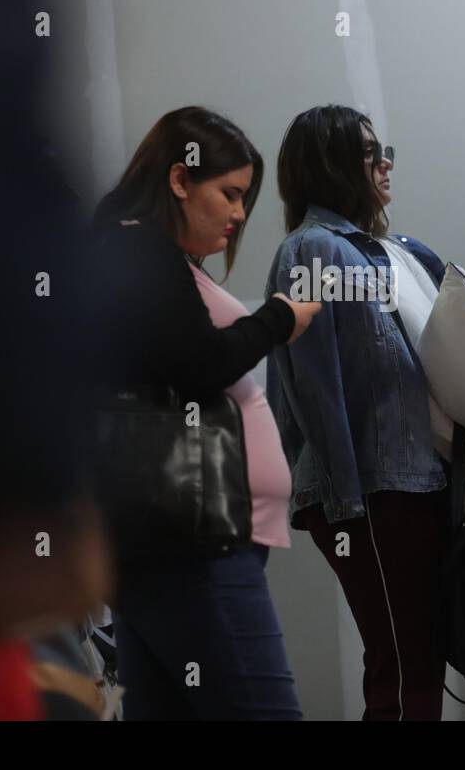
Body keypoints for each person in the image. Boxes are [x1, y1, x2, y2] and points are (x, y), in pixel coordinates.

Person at [89, 105, 320, 720]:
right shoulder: (141, 249)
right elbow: (198, 366)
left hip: (168, 546)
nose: (239, 214)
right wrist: (278, 318)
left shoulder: (126, 248)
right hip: (192, 546)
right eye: (230, 193)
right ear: (178, 180)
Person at [265, 105, 450, 720]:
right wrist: (348, 511)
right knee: (401, 664)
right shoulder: (314, 250)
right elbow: (312, 391)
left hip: (409, 486)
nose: (384, 162)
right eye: (369, 152)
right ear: (333, 165)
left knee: (414, 660)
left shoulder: (387, 250)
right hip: (369, 495)